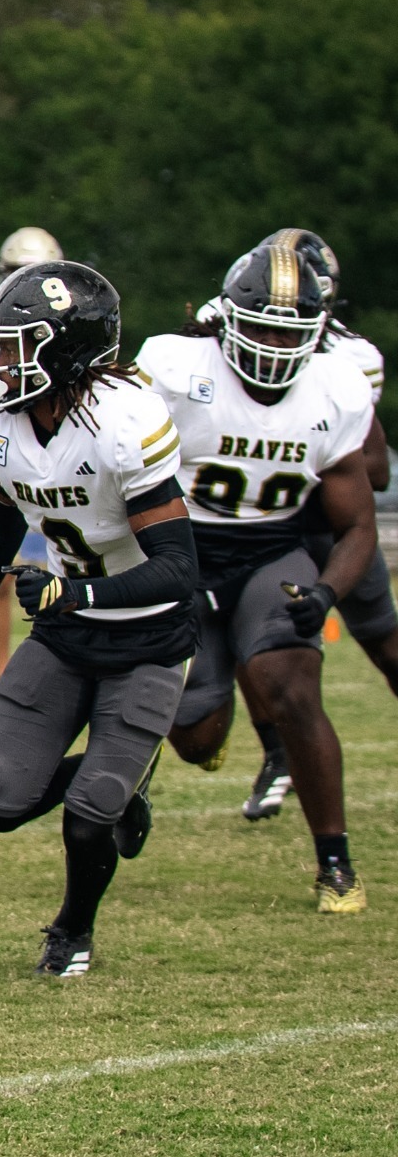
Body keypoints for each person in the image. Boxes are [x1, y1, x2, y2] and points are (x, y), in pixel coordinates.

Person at [0, 262, 198, 979]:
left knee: (90, 814)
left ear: (67, 352)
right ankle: (119, 783)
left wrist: (76, 594)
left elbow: (178, 568)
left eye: (17, 347)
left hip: (149, 632)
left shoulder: (124, 422)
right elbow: (0, 526)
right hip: (67, 631)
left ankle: (73, 927)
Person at [136, 241, 379, 913]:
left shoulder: (337, 386)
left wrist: (327, 591)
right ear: (227, 320)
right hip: (181, 551)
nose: (273, 345)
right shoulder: (173, 367)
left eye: (289, 332)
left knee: (293, 687)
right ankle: (210, 708)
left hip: (270, 549)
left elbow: (358, 524)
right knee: (196, 738)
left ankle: (336, 862)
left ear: (317, 333)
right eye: (261, 328)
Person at [191, 230, 396, 820]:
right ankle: (277, 754)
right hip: (251, 527)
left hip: (325, 524)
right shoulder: (211, 340)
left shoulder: (350, 361)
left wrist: (298, 458)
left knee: (383, 637)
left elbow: (374, 471)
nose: (277, 333)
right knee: (254, 646)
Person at [0, 226, 68, 695]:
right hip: (10, 444)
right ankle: (2, 677)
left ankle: (64, 669)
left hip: (65, 449)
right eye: (16, 272)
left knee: (73, 565)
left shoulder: (71, 323)